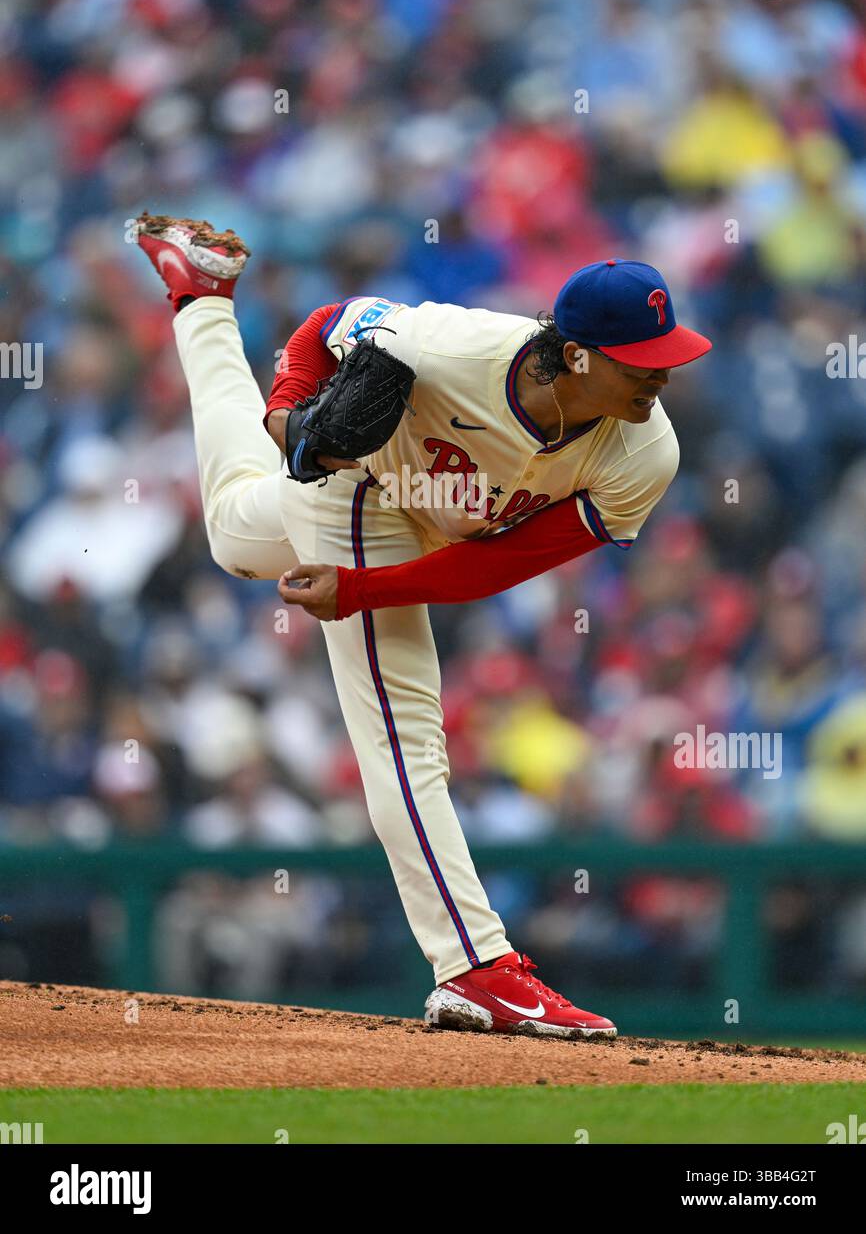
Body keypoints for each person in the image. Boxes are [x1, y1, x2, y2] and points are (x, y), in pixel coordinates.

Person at [135, 213, 711, 1039]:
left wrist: (363, 590)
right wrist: (288, 418)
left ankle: (201, 298)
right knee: (404, 735)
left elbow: (493, 567)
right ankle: (474, 966)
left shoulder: (644, 454)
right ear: (579, 356)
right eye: (641, 360)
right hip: (358, 489)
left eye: (667, 355)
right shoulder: (452, 347)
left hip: (431, 529)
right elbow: (326, 324)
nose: (661, 375)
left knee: (232, 532)